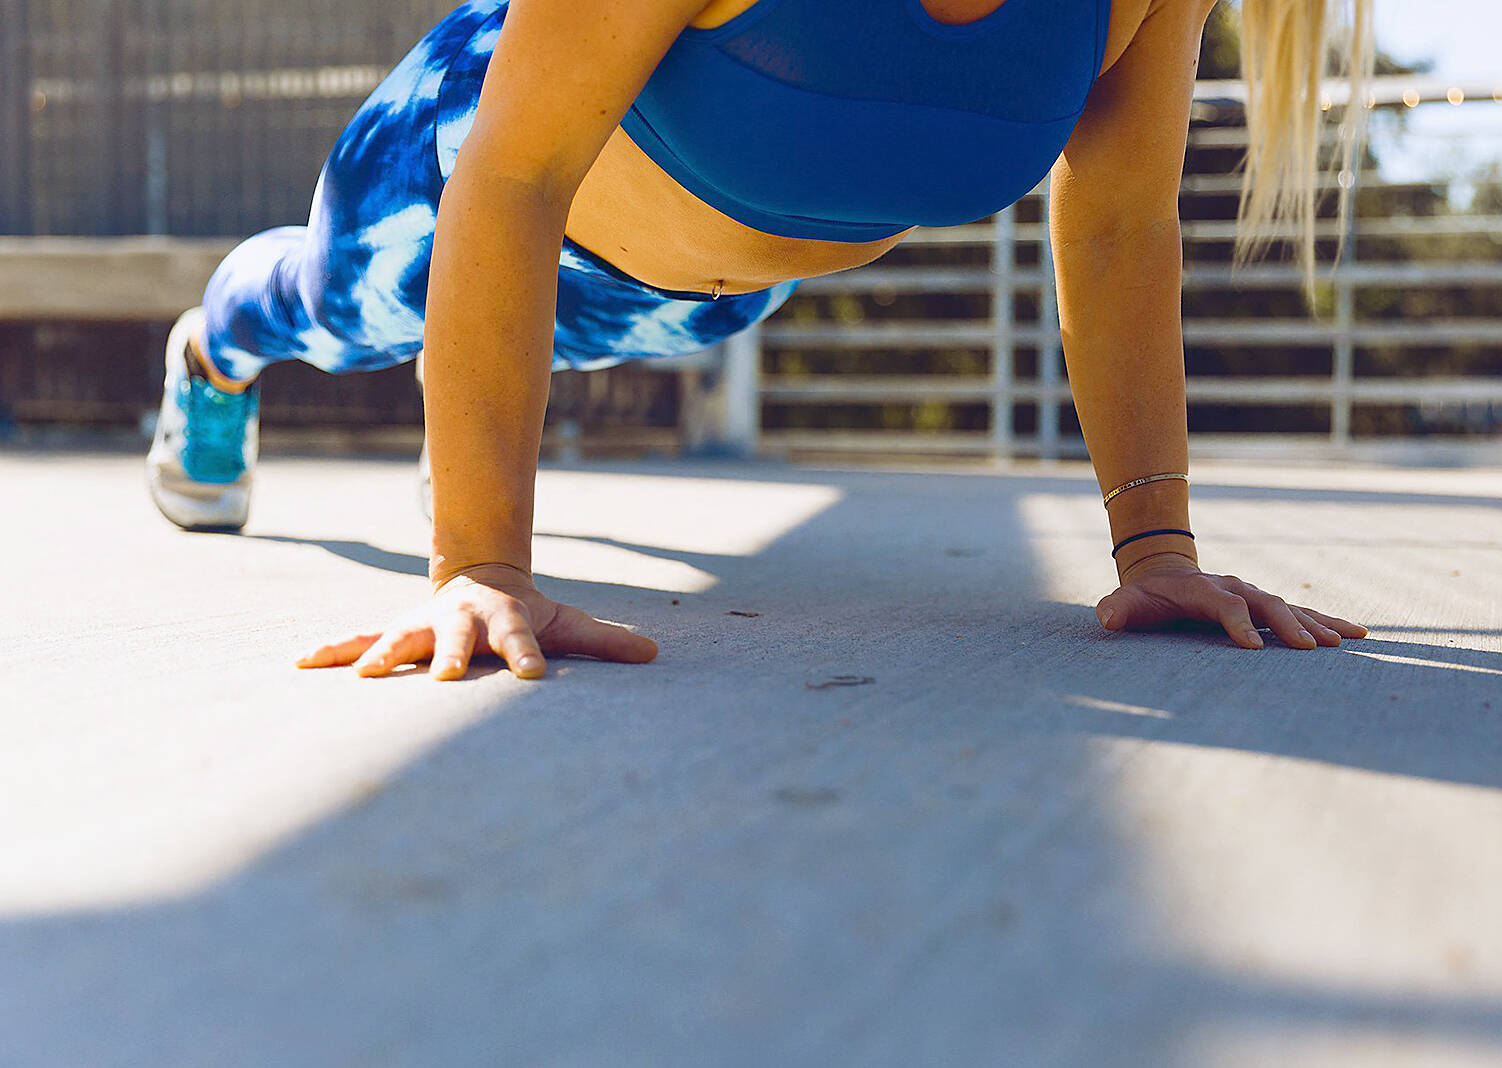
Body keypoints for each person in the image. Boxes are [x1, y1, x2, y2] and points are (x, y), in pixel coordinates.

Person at [145, 0, 1375, 681]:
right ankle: (209, 357)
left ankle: (464, 396)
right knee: (324, 309)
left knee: (515, 353)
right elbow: (512, 178)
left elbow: (1115, 226)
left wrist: (1155, 547)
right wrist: (486, 565)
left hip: (697, 302)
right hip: (456, 179)